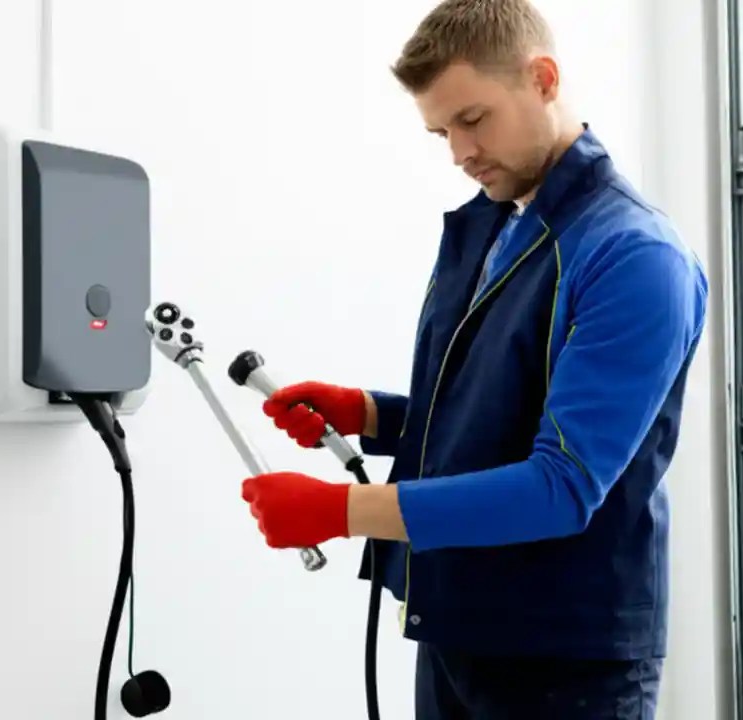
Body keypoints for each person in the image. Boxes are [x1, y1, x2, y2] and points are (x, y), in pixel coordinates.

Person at [238, 0, 709, 717]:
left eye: (472, 119)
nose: (459, 152)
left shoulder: (633, 256)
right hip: (462, 630)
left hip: (566, 663)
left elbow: (562, 484)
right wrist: (368, 414)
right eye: (441, 132)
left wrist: (342, 510)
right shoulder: (499, 228)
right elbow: (497, 414)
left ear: (543, 79)